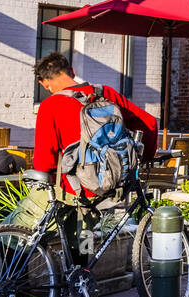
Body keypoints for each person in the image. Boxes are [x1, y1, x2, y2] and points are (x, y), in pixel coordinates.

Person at [32, 52, 157, 196]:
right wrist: (139, 160)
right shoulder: (106, 93)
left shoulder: (50, 105)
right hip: (116, 183)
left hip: (75, 190)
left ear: (45, 83)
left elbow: (44, 162)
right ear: (72, 71)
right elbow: (150, 123)